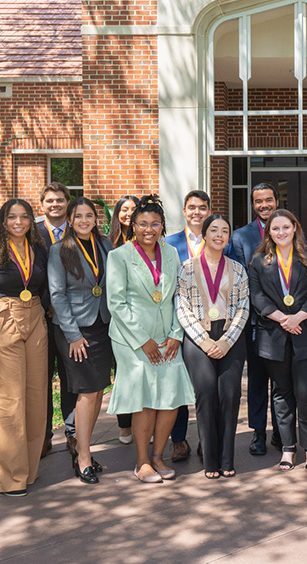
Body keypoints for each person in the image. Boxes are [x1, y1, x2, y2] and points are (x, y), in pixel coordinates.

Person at [106, 195, 195, 483]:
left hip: (167, 337)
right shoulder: (119, 256)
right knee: (144, 400)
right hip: (133, 340)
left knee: (170, 399)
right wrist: (143, 340)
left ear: (162, 226)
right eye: (142, 223)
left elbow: (178, 296)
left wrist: (176, 335)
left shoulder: (171, 254)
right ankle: (142, 461)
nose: (149, 229)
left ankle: (158, 456)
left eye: (155, 224)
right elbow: (116, 303)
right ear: (132, 225)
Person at [0, 198, 51, 497]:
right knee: (8, 400)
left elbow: (45, 287)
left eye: (24, 217)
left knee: (35, 396)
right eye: (12, 217)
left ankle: (27, 471)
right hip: (2, 316)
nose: (19, 222)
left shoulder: (40, 249)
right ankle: (10, 479)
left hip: (35, 316)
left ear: (31, 220)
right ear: (3, 222)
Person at [248, 209, 307, 473]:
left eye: (286, 227)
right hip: (274, 337)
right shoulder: (259, 261)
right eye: (275, 229)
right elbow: (256, 295)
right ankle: (288, 448)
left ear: (295, 227)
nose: (281, 232)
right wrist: (283, 317)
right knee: (281, 394)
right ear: (269, 232)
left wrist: (299, 317)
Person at [175, 214, 249, 478]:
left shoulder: (238, 269)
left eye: (225, 231)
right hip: (198, 338)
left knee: (230, 395)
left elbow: (243, 307)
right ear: (204, 233)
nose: (219, 235)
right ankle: (210, 461)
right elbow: (182, 308)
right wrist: (205, 341)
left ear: (229, 238)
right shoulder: (186, 268)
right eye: (214, 230)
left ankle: (227, 459)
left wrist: (227, 341)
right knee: (206, 394)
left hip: (230, 336)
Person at [47, 197, 113, 485]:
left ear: (95, 219)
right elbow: (57, 295)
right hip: (74, 330)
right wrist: (73, 335)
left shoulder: (106, 246)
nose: (84, 220)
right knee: (86, 391)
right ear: (70, 221)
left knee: (98, 391)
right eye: (79, 216)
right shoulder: (58, 250)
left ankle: (85, 448)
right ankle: (82, 456)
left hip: (103, 324)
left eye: (89, 215)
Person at [163, 190, 214, 463]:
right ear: (184, 211)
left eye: (202, 208)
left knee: (206, 385)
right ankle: (179, 440)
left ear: (208, 211)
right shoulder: (169, 244)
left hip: (212, 324)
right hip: (177, 323)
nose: (197, 212)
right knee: (178, 383)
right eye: (192, 208)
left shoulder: (218, 239)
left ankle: (206, 438)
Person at [231, 182, 279, 455]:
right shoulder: (240, 237)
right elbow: (241, 282)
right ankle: (259, 433)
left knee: (283, 381)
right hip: (255, 323)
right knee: (258, 381)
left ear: (276, 200)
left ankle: (281, 432)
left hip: (285, 322)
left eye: (268, 200)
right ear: (253, 205)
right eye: (259, 201)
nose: (264, 205)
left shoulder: (288, 228)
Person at [36, 182, 76, 460]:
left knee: (70, 378)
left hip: (70, 319)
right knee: (42, 379)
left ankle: (73, 433)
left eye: (60, 200)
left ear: (68, 203)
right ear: (42, 205)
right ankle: (44, 434)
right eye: (50, 200)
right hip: (39, 317)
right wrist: (45, 304)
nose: (55, 205)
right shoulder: (32, 232)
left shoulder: (79, 230)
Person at [107, 194, 138, 444]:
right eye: (124, 209)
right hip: (117, 319)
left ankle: (142, 422)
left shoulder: (149, 242)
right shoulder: (109, 244)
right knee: (124, 373)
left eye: (133, 209)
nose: (128, 214)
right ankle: (125, 425)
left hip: (145, 317)